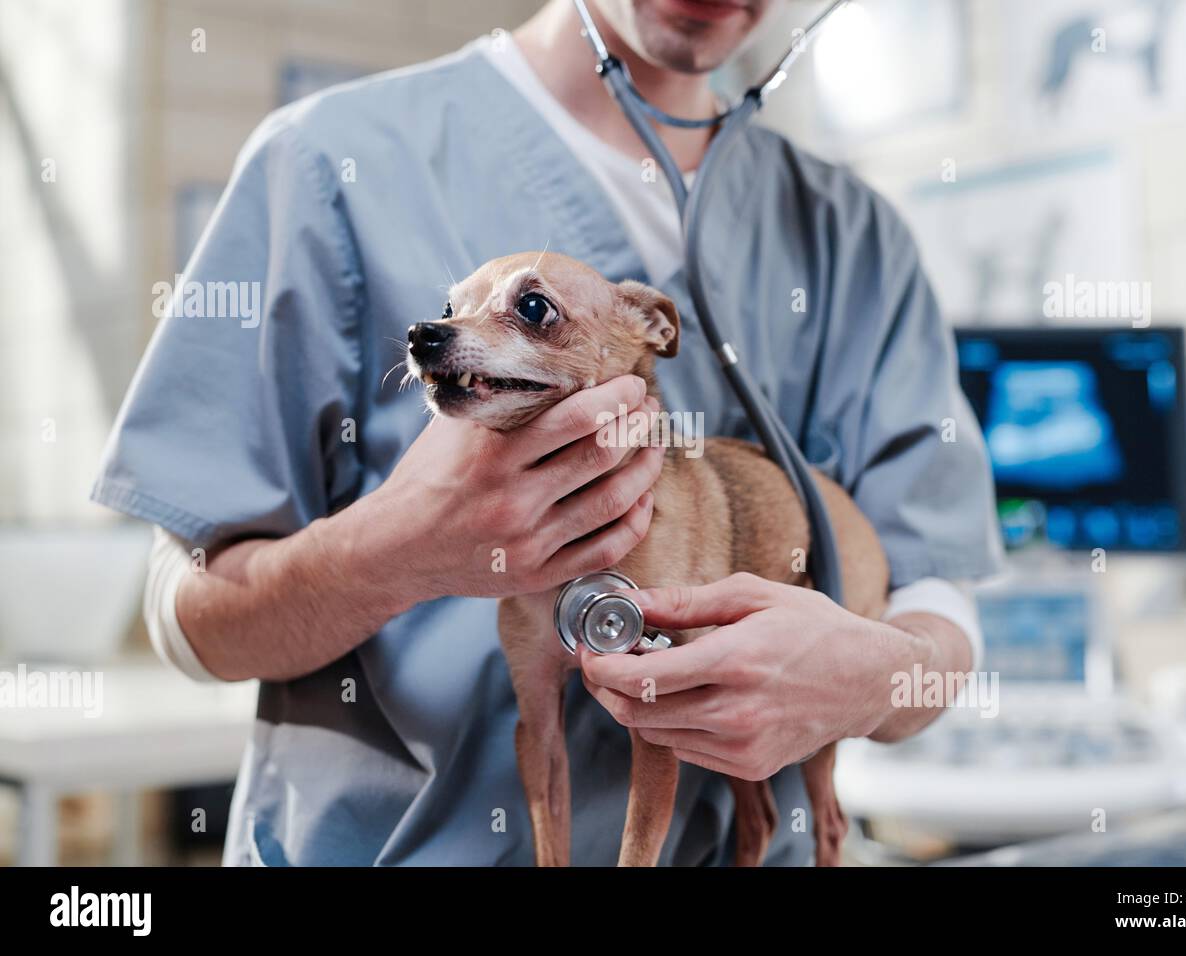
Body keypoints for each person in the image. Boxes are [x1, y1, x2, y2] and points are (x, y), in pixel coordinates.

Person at [93, 0, 1002, 865]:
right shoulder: (330, 162)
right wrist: (397, 551)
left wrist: (875, 679)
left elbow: (937, 593)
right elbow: (188, 610)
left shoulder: (853, 238)